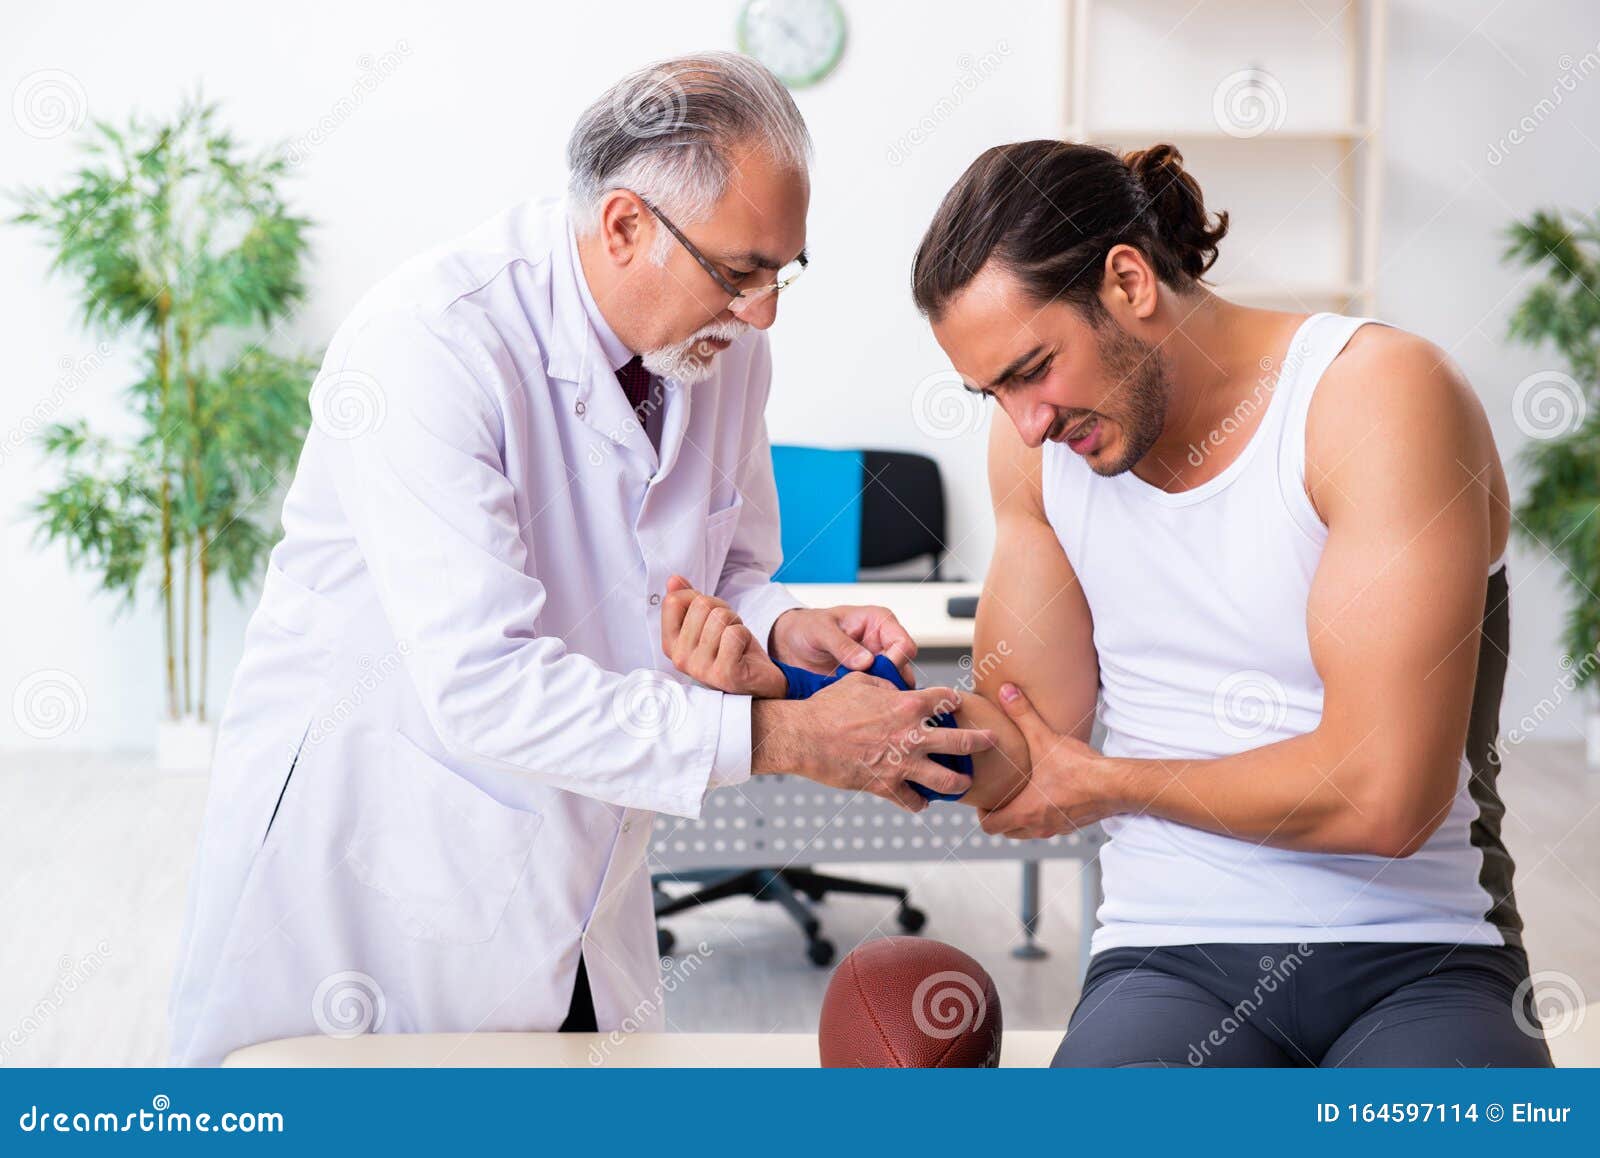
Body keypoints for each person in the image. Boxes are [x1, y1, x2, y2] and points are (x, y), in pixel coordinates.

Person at [167, 53, 993, 1066]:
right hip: (387, 857)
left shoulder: (725, 350)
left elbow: (736, 561)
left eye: (784, 268)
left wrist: (782, 624)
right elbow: (483, 684)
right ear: (623, 226)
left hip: (584, 854)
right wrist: (786, 738)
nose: (766, 308)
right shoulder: (428, 346)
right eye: (740, 271)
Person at [902, 139, 1551, 1067]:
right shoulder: (1037, 456)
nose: (1026, 422)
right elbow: (1024, 760)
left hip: (1423, 953)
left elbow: (1386, 800)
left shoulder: (1376, 397)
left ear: (1128, 282)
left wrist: (1114, 782)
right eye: (993, 393)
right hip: (1171, 957)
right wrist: (853, 702)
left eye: (1033, 368)